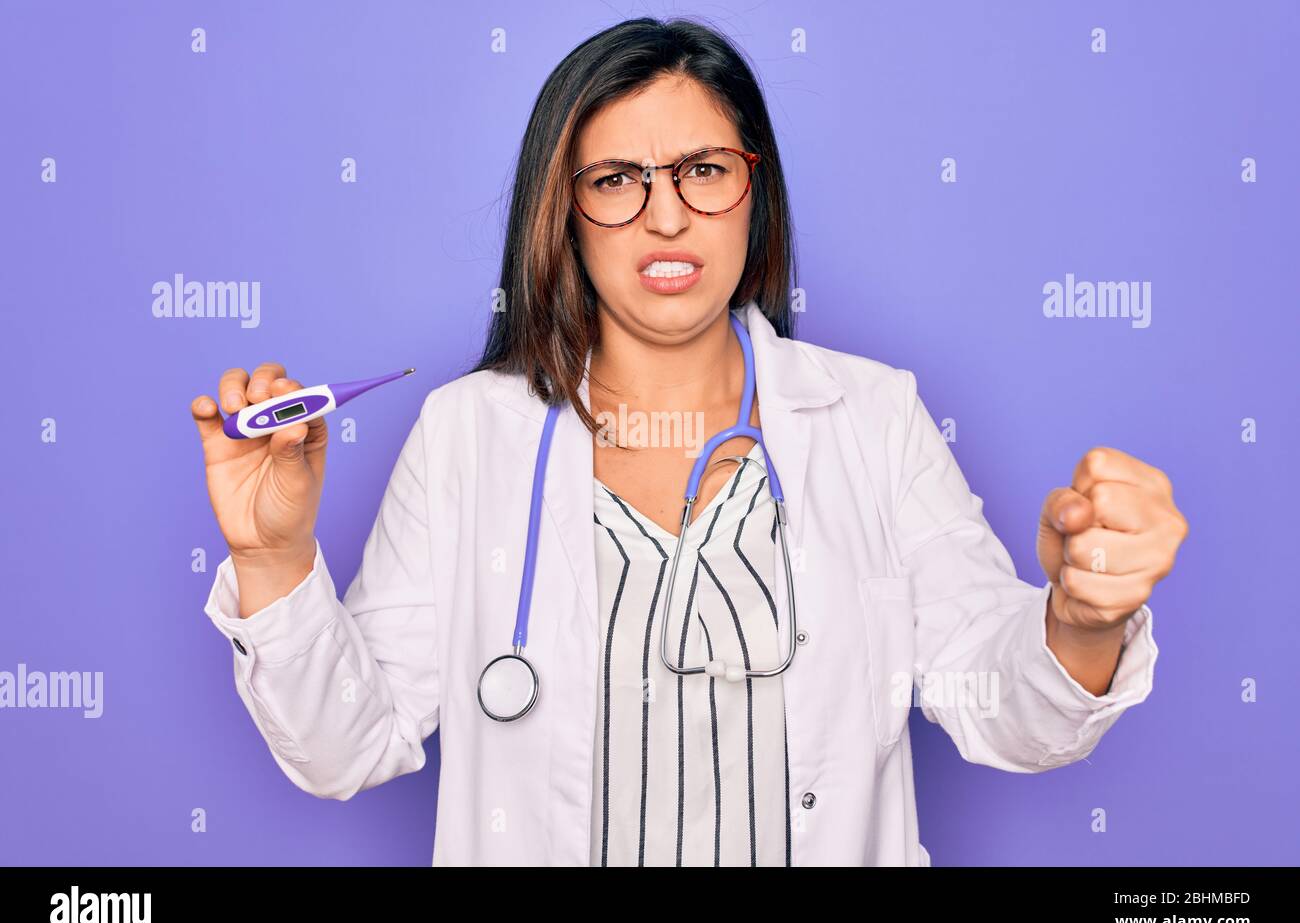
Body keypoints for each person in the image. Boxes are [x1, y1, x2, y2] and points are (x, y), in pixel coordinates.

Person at [189, 17, 1187, 867]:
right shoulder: (469, 433)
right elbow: (342, 747)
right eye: (617, 179)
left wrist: (1080, 617)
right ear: (563, 213)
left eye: (703, 170)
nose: (665, 217)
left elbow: (1005, 705)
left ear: (754, 191)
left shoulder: (872, 418)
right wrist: (271, 556)